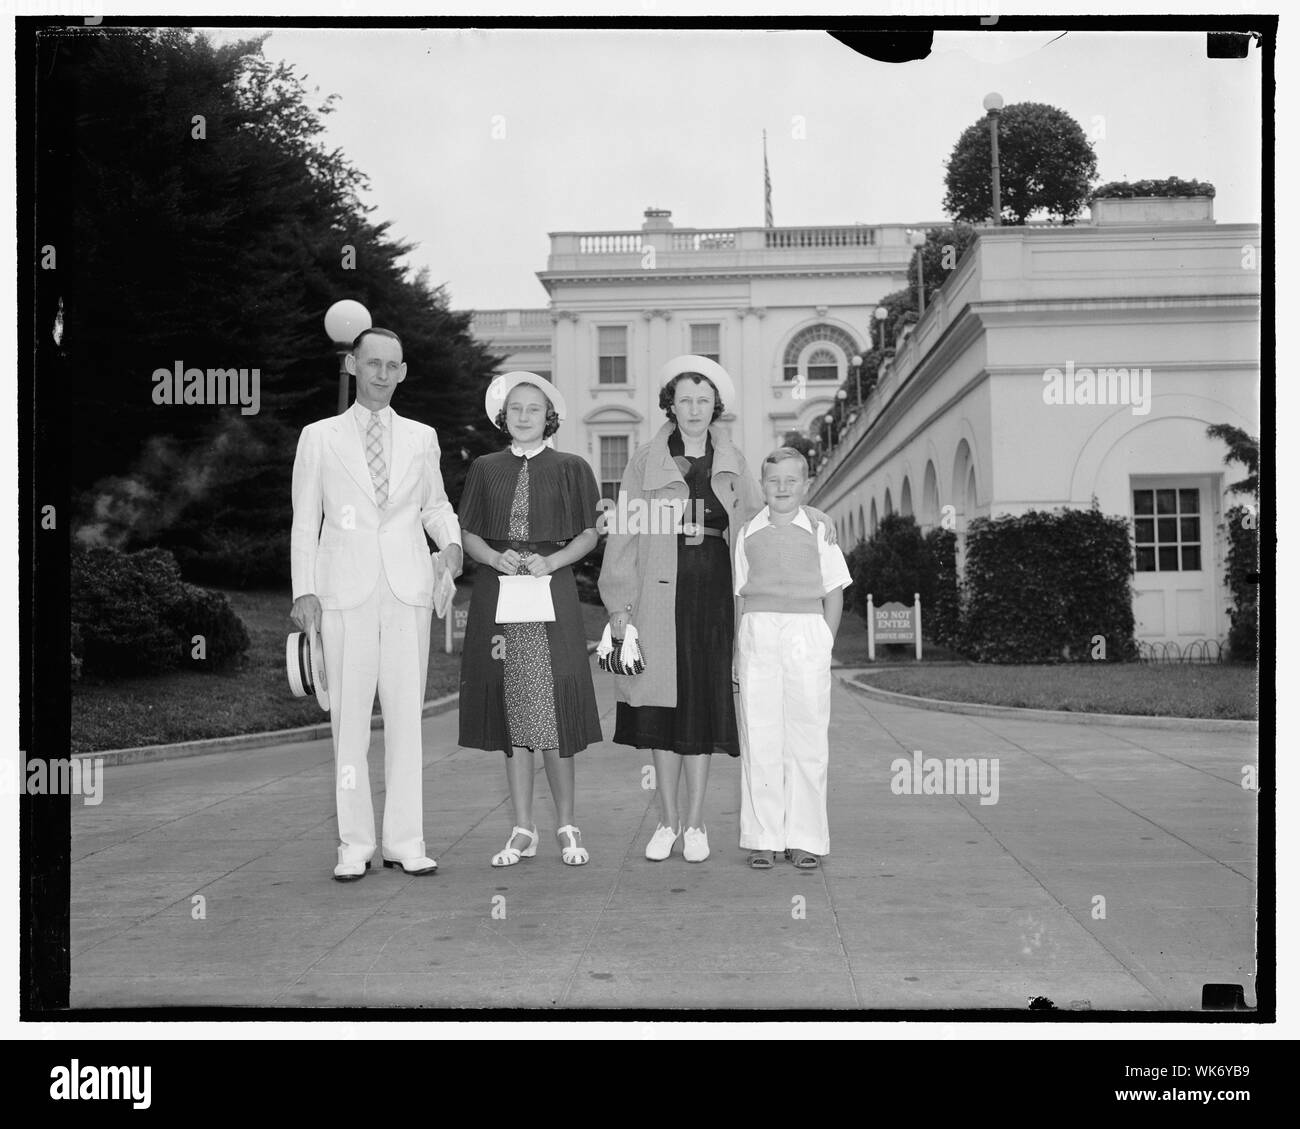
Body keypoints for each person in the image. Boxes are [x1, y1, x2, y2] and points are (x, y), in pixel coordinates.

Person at [598, 356, 837, 864]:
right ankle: (666, 821)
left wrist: (809, 510)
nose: (693, 409)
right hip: (658, 594)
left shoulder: (731, 459)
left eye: (703, 401)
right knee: (660, 707)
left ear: (715, 408)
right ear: (671, 404)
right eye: (685, 399)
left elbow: (760, 514)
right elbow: (623, 532)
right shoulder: (645, 461)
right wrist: (620, 604)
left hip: (713, 597)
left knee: (704, 705)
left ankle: (697, 823)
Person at [290, 327, 462, 881]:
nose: (382, 374)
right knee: (350, 726)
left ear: (403, 372)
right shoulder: (319, 437)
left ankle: (406, 841)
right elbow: (304, 520)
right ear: (352, 365)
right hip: (344, 595)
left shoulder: (422, 436)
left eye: (392, 365)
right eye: (372, 364)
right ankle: (355, 844)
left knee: (408, 722)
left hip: (408, 592)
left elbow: (435, 506)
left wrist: (453, 545)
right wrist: (304, 590)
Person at [457, 372, 603, 867]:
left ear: (549, 417)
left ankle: (566, 823)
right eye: (515, 408)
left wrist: (553, 561)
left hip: (551, 593)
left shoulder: (571, 467)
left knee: (554, 710)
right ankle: (523, 827)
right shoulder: (484, 468)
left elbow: (587, 534)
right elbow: (469, 533)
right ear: (504, 415)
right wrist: (495, 559)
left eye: (534, 408)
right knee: (514, 712)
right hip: (500, 598)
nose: (524, 416)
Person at [733, 447, 853, 870]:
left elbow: (835, 589)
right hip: (758, 633)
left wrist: (825, 639)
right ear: (762, 487)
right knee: (760, 734)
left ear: (805, 486)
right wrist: (737, 651)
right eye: (773, 480)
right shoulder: (747, 532)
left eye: (791, 481)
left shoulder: (821, 530)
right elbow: (739, 595)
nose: (781, 488)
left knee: (806, 737)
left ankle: (805, 838)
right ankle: (763, 836)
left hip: (806, 633)